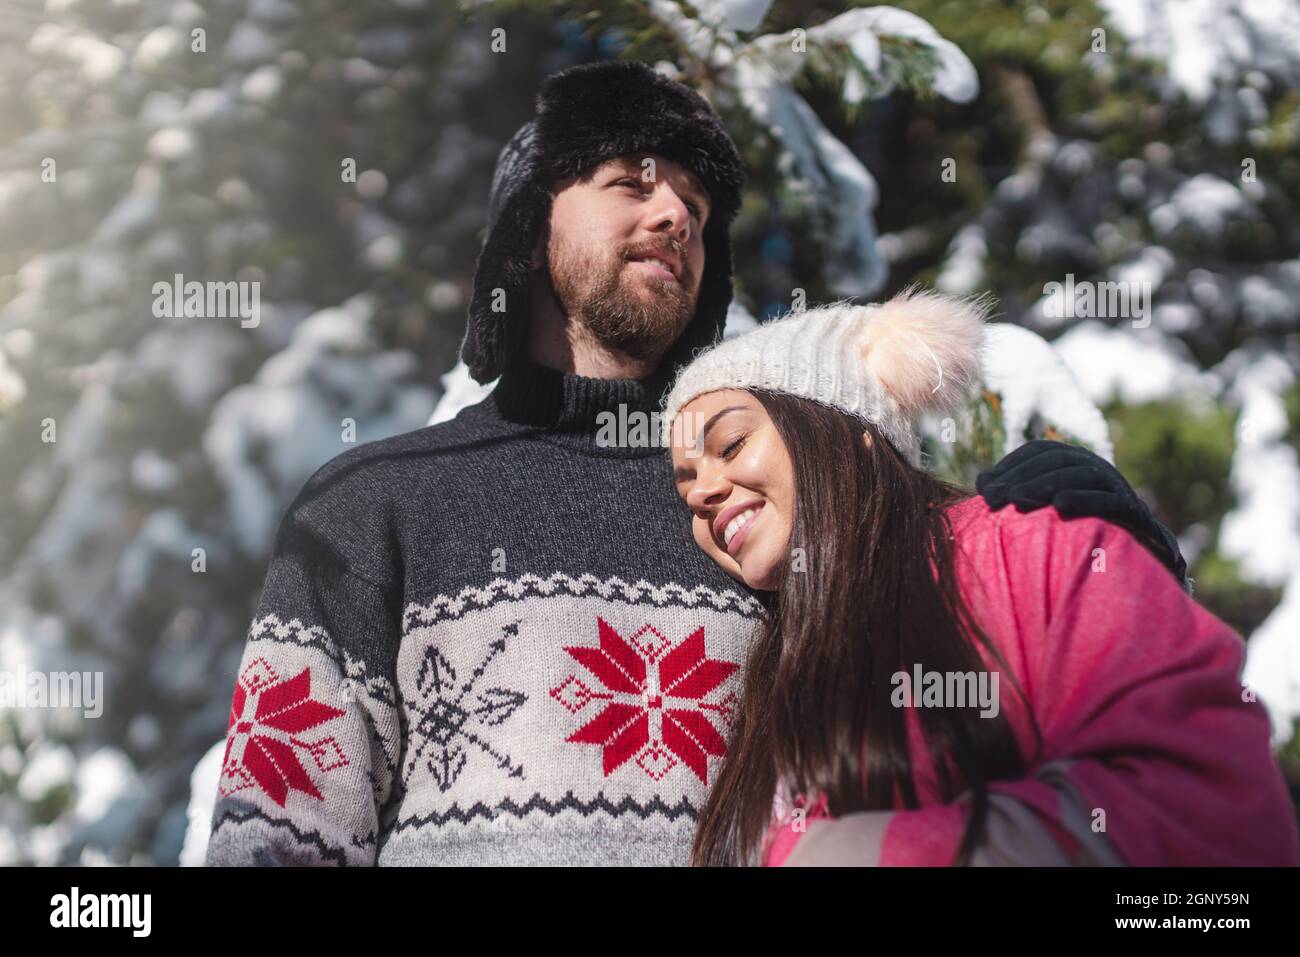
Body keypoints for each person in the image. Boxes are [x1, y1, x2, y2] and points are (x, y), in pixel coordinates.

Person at [205, 60, 1187, 866]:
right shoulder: (376, 506)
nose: (676, 214)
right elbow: (275, 844)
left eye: (696, 206)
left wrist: (1117, 561)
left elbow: (987, 668)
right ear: (525, 223)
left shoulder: (760, 503)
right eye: (630, 181)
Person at [662, 288, 1300, 867]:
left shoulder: (1032, 550)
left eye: (730, 446)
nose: (704, 493)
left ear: (852, 433)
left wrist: (880, 854)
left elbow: (1217, 814)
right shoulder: (770, 668)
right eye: (685, 483)